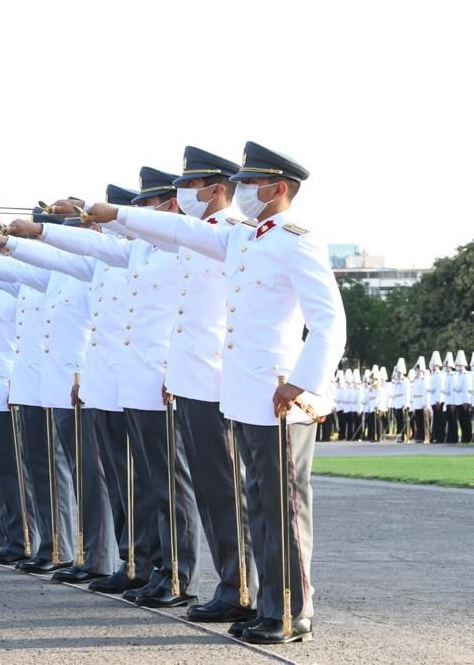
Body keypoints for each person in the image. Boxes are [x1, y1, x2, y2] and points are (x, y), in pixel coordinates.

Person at [86, 141, 347, 644]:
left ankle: (291, 611)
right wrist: (120, 216)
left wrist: (302, 381)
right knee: (258, 503)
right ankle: (267, 602)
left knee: (283, 507)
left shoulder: (297, 241)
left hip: (281, 393)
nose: (245, 190)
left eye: (252, 183)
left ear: (278, 188)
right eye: (242, 182)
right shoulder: (245, 240)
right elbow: (182, 229)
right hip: (246, 392)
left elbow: (329, 321)